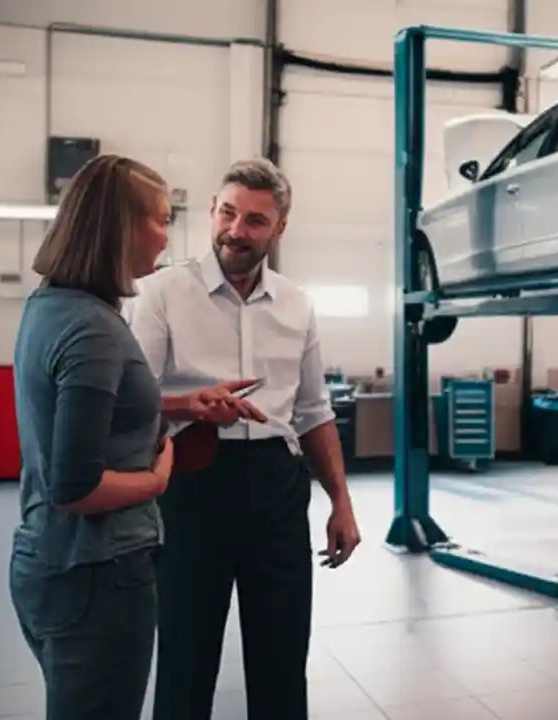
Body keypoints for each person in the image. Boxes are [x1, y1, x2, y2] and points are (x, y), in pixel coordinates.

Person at [8, 154, 263, 720]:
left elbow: (84, 415)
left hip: (51, 561)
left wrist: (178, 404)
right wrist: (158, 477)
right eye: (161, 219)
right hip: (98, 573)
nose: (167, 235)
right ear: (119, 227)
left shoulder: (53, 306)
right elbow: (75, 488)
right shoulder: (94, 329)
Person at [125, 157, 362, 720]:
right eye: (228, 213)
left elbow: (313, 411)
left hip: (277, 488)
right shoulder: (159, 293)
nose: (237, 229)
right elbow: (131, 402)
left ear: (279, 229)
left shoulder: (297, 304)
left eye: (255, 220)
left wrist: (342, 503)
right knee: (185, 655)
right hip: (191, 482)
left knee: (282, 659)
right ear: (212, 209)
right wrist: (192, 405)